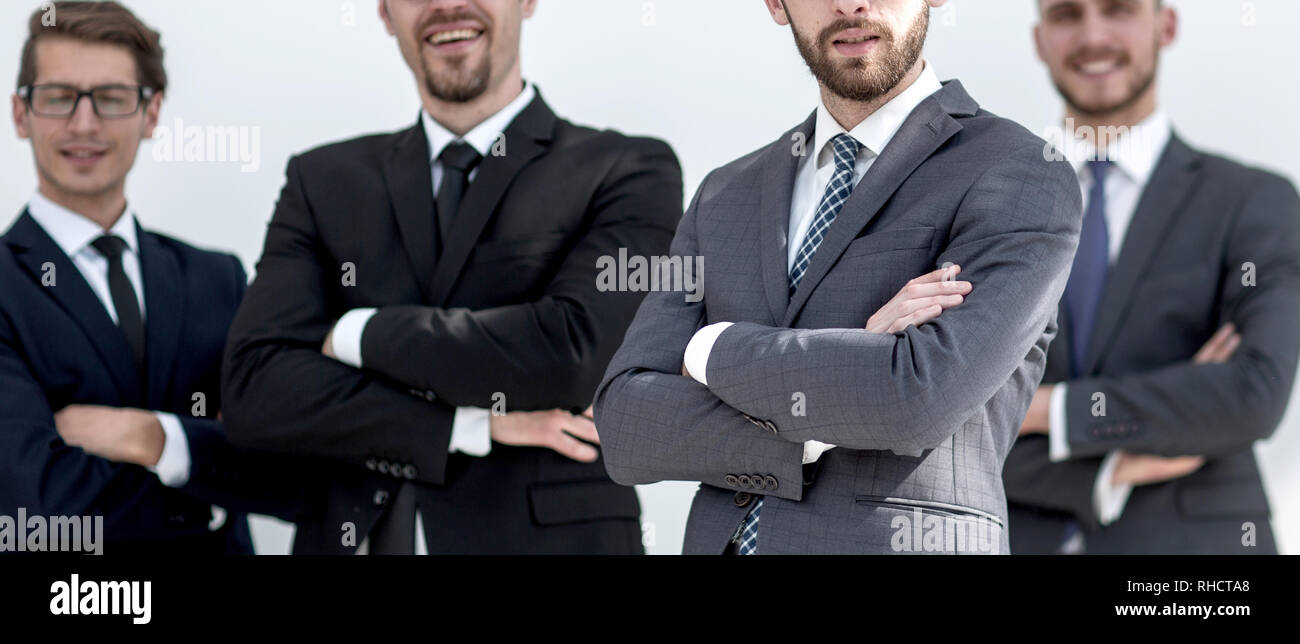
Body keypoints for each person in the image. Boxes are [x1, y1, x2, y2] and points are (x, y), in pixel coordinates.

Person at [594, 0, 1081, 555]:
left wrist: (708, 348)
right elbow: (626, 425)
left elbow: (914, 398)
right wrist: (849, 375)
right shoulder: (725, 192)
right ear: (776, 5)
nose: (852, 4)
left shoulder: (1018, 172)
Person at [221, 0, 683, 554]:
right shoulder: (321, 180)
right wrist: (468, 426)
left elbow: (572, 357)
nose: (446, 6)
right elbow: (254, 390)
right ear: (385, 13)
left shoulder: (628, 169)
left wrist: (354, 333)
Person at [1, 0, 309, 554]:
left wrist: (153, 438)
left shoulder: (218, 279)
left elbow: (296, 474)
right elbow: (32, 510)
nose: (84, 122)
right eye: (58, 97)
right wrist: (210, 485)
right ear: (21, 114)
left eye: (113, 98)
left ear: (152, 112)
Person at [1004, 0, 1300, 554]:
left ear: (1166, 25)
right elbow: (948, 417)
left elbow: (1252, 392)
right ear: (1040, 40)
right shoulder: (989, 207)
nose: (1093, 36)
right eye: (1067, 15)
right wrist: (1110, 471)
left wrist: (1041, 408)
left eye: (1118, 10)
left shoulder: (1254, 202)